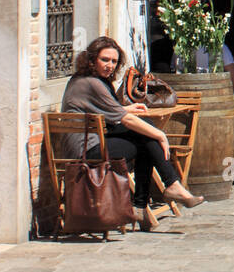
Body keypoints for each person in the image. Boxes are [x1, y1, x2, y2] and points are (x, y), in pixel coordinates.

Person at [60, 37, 204, 231]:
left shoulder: (83, 80)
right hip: (86, 151)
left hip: (91, 142)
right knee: (147, 138)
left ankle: (149, 200)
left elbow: (108, 110)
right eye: (105, 60)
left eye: (113, 61)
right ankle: (160, 192)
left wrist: (126, 109)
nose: (109, 65)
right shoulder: (91, 83)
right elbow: (125, 120)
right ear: (92, 59)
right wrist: (161, 135)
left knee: (144, 133)